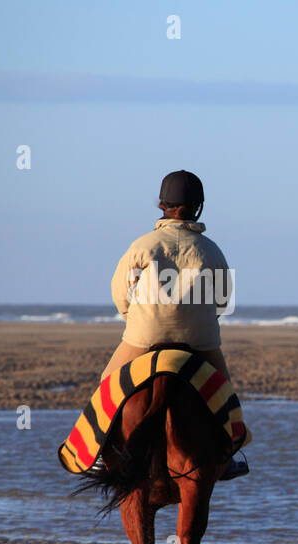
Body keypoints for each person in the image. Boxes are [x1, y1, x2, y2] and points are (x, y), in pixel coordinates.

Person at [105, 170, 248, 480]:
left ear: (162, 205)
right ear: (198, 207)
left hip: (145, 335)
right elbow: (223, 303)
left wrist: (139, 319)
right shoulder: (211, 250)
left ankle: (100, 455)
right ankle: (229, 456)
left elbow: (120, 296)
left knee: (106, 385)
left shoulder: (141, 245)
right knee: (224, 392)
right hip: (200, 340)